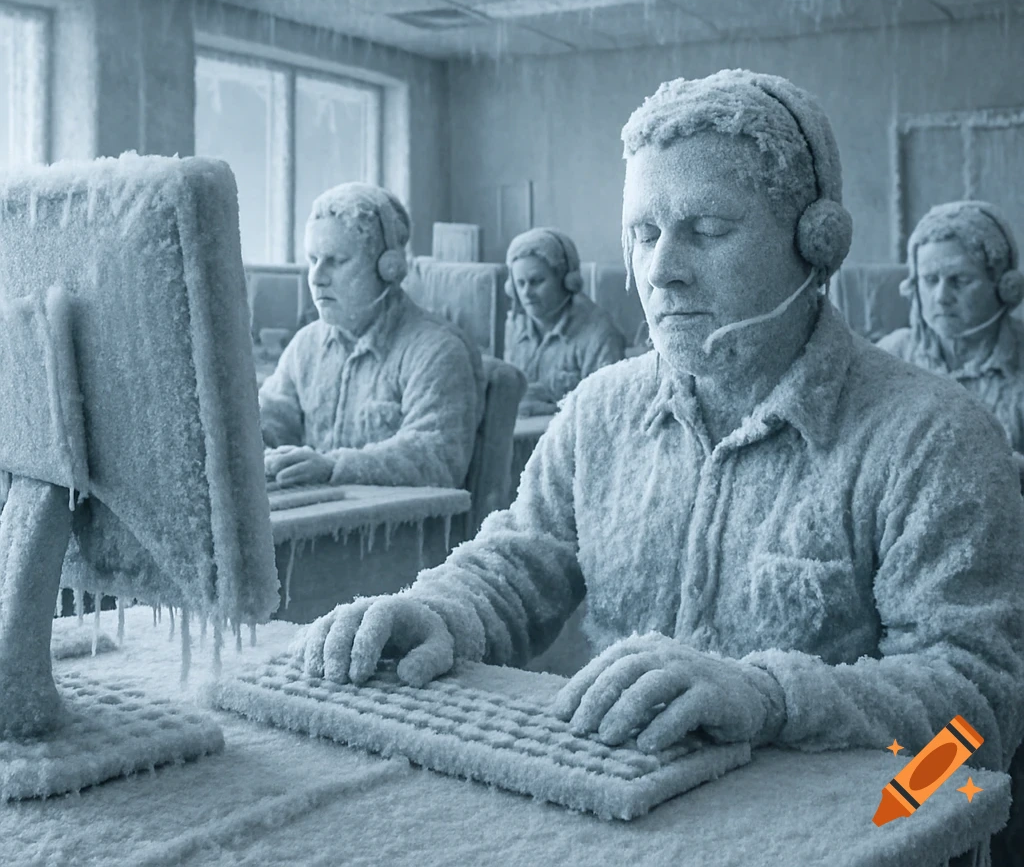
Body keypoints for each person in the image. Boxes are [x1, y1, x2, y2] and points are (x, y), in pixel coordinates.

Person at [294, 72, 1024, 814]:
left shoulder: (931, 435)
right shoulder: (601, 411)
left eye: (707, 231)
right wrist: (444, 613)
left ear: (816, 242)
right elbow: (516, 564)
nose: (661, 270)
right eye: (643, 234)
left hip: (829, 832)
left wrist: (776, 701)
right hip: (618, 812)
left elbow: (978, 721)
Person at [260, 182, 485, 490]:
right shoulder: (305, 346)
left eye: (336, 261)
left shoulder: (437, 350)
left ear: (387, 267)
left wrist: (333, 468)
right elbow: (271, 417)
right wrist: (246, 442)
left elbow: (436, 457)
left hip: (399, 533)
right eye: (313, 260)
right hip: (322, 523)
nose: (317, 277)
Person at [878, 201, 1024, 477]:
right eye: (930, 280)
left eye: (959, 280)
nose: (941, 298)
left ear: (1004, 287)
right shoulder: (891, 357)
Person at [503, 228, 625, 416]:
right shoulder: (515, 324)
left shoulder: (600, 333)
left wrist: (549, 409)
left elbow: (609, 409)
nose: (526, 293)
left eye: (536, 281)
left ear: (566, 280)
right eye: (520, 283)